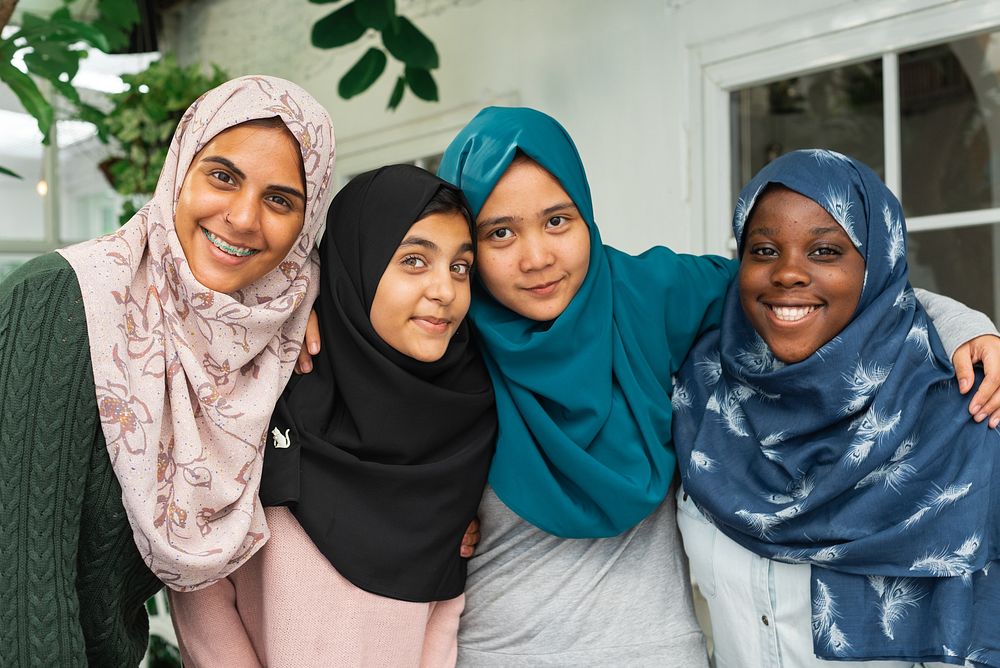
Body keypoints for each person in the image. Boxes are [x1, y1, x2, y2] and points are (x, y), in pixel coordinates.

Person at [435, 108, 1000, 667]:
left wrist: (967, 328)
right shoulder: (443, 354)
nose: (537, 257)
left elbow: (815, 295)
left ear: (585, 214)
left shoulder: (648, 300)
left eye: (557, 220)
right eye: (500, 232)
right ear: (468, 247)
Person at [0, 75, 335, 665]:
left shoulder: (265, 339)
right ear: (180, 168)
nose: (242, 217)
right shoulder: (59, 302)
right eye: (223, 176)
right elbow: (23, 589)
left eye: (280, 200)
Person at [673, 149, 999, 667]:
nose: (788, 274)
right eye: (763, 250)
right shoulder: (699, 395)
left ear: (878, 264)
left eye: (824, 251)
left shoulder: (964, 417)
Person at [168, 165, 497, 668]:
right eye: (414, 260)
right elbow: (200, 584)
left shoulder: (466, 417)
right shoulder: (265, 395)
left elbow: (444, 607)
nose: (445, 291)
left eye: (460, 267)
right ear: (355, 267)